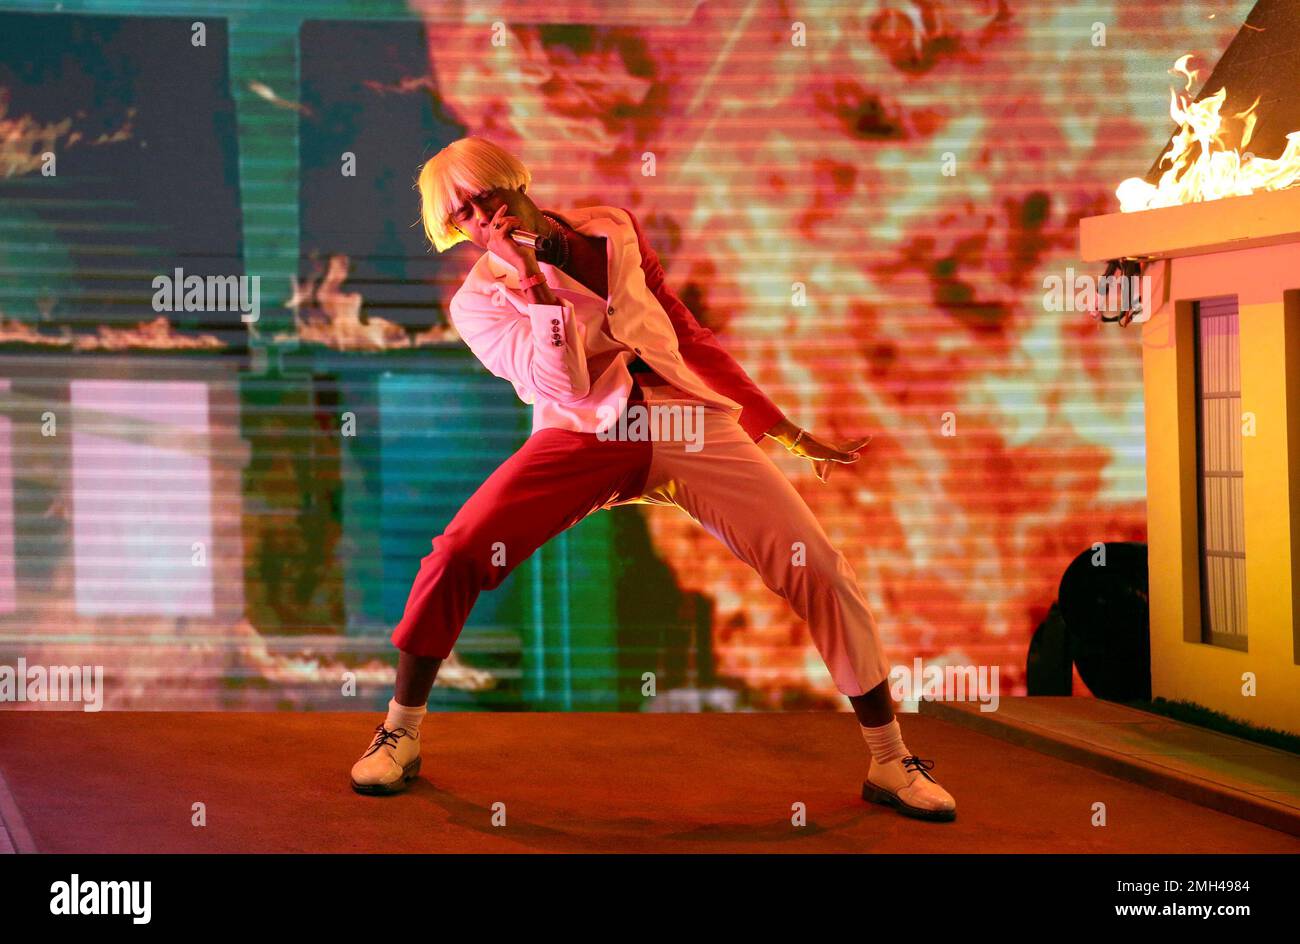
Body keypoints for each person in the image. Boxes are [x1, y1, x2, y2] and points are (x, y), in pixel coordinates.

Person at [348, 136, 956, 822]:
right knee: (459, 552)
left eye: (487, 196)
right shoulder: (479, 304)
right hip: (584, 434)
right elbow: (568, 387)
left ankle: (889, 757)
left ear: (515, 181)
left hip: (687, 422)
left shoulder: (612, 227)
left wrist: (783, 429)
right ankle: (401, 729)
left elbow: (684, 333)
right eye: (463, 216)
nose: (483, 218)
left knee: (816, 563)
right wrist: (534, 284)